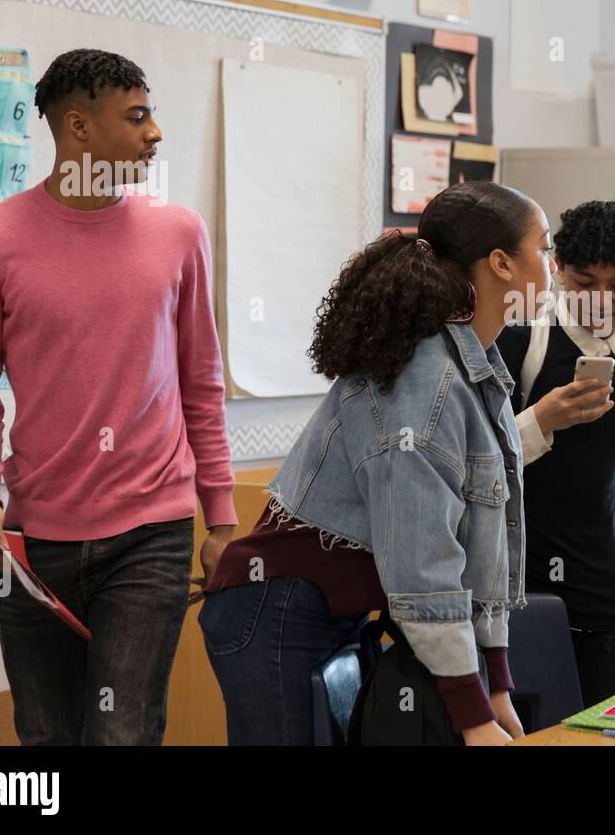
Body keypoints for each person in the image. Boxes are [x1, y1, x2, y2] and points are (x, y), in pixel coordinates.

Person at [0, 48, 237, 744]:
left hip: (151, 531)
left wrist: (220, 516)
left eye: (153, 114)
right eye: (137, 117)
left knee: (119, 733)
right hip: (32, 538)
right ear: (78, 126)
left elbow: (201, 382)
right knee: (45, 737)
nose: (155, 132)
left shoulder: (179, 233)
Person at [199, 182, 552, 746]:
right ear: (502, 265)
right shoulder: (424, 380)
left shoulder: (476, 369)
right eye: (546, 246)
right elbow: (423, 568)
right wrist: (473, 716)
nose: (553, 265)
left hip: (327, 612)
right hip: (276, 613)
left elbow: (486, 548)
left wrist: (497, 684)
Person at [496, 200, 615, 708]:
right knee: (532, 732)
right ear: (558, 270)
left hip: (604, 586)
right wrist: (541, 420)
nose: (601, 301)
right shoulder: (521, 342)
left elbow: (613, 466)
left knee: (594, 729)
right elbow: (472, 464)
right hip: (524, 588)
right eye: (586, 282)